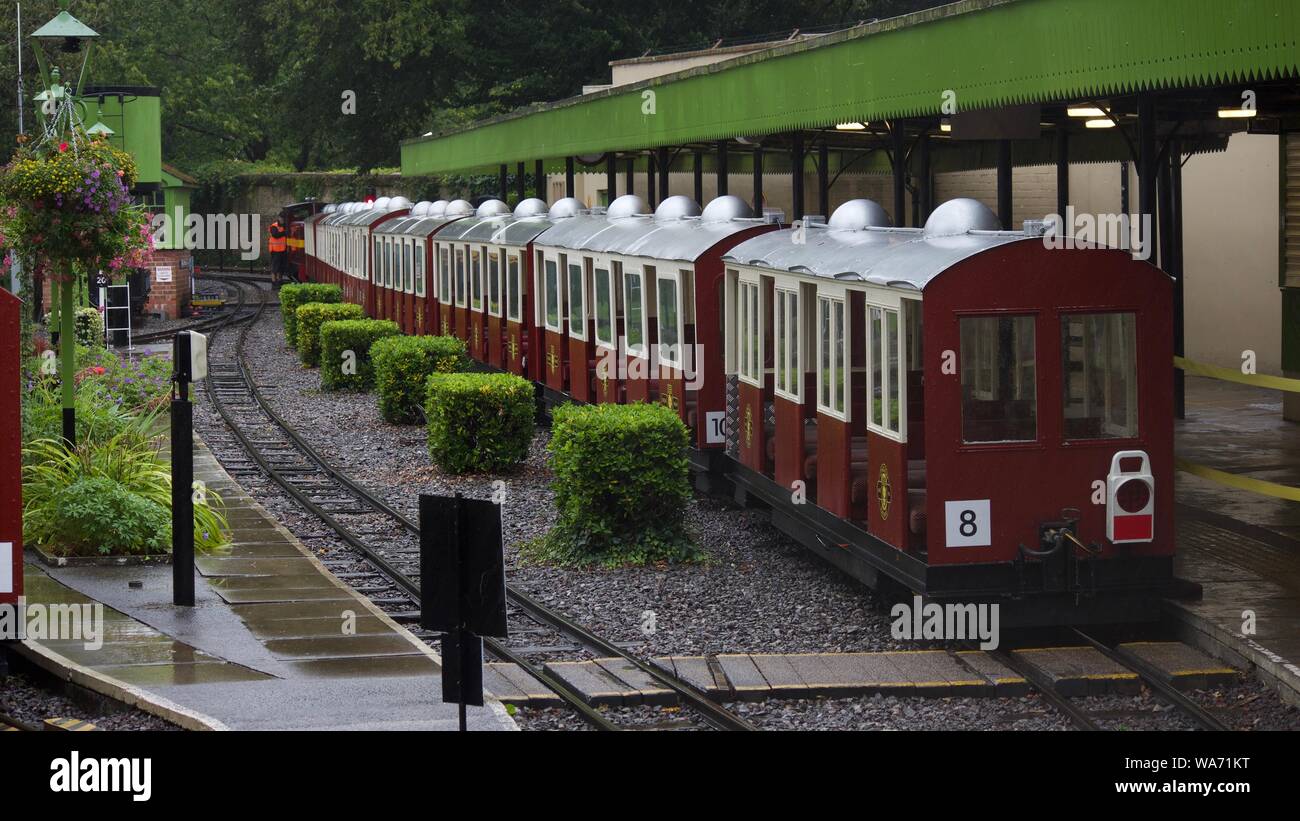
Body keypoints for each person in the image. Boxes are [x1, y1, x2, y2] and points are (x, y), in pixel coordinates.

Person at [268, 216, 288, 285]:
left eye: (283, 219)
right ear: (279, 218)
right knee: (275, 266)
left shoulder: (283, 226)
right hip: (275, 250)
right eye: (281, 218)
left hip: (282, 250)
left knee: (280, 266)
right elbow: (275, 235)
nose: (282, 220)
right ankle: (274, 281)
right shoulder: (274, 226)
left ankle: (279, 280)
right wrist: (284, 233)